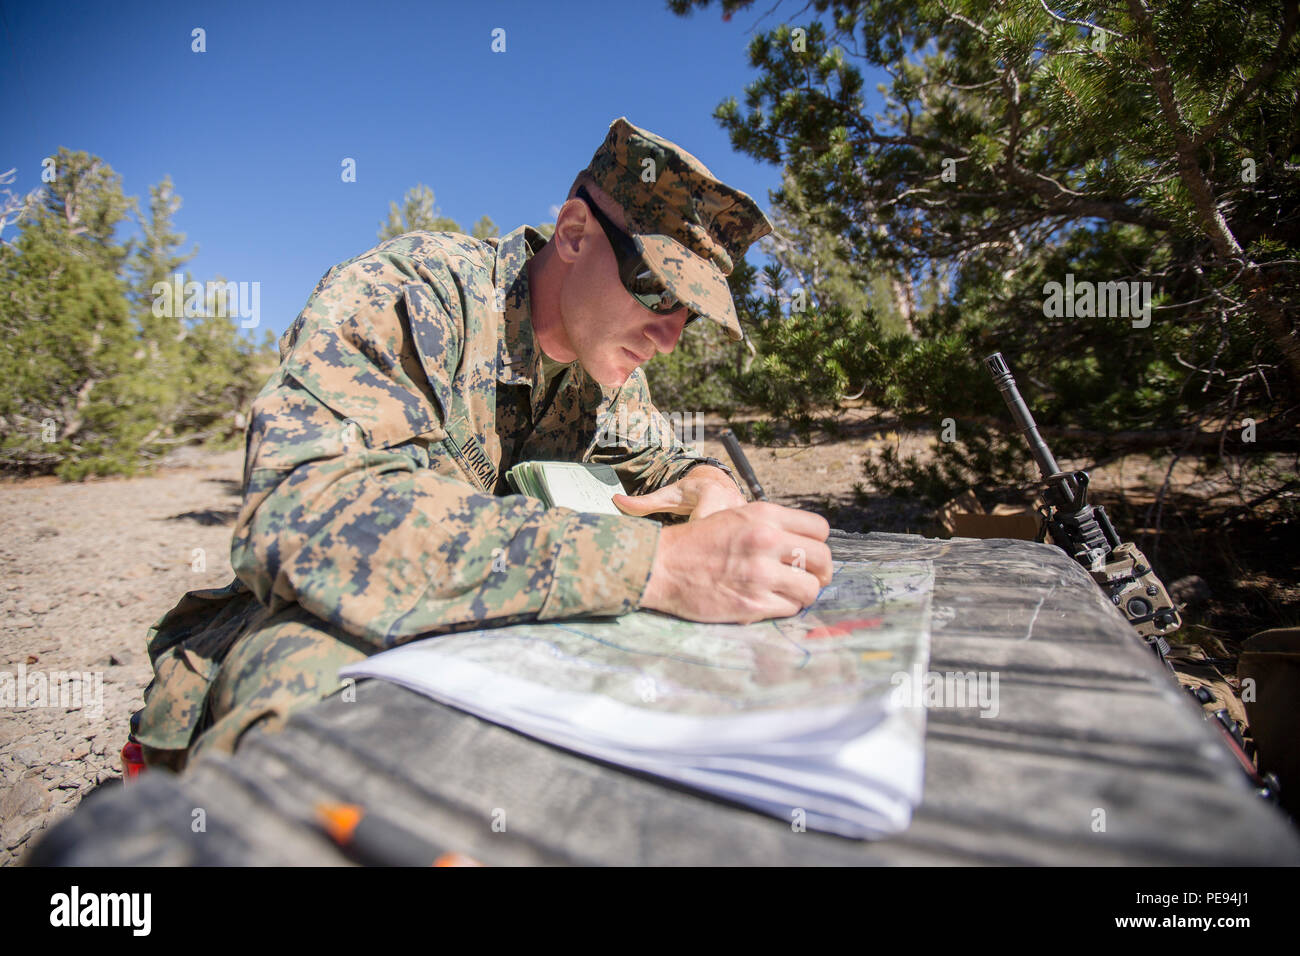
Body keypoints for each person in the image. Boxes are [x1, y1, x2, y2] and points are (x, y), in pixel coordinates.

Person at [131, 117, 832, 771]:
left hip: (482, 633)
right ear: (575, 232)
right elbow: (301, 513)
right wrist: (659, 566)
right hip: (321, 617)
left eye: (690, 311)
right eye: (653, 288)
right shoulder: (414, 294)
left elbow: (667, 461)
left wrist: (711, 481)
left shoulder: (605, 372)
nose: (669, 333)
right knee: (320, 694)